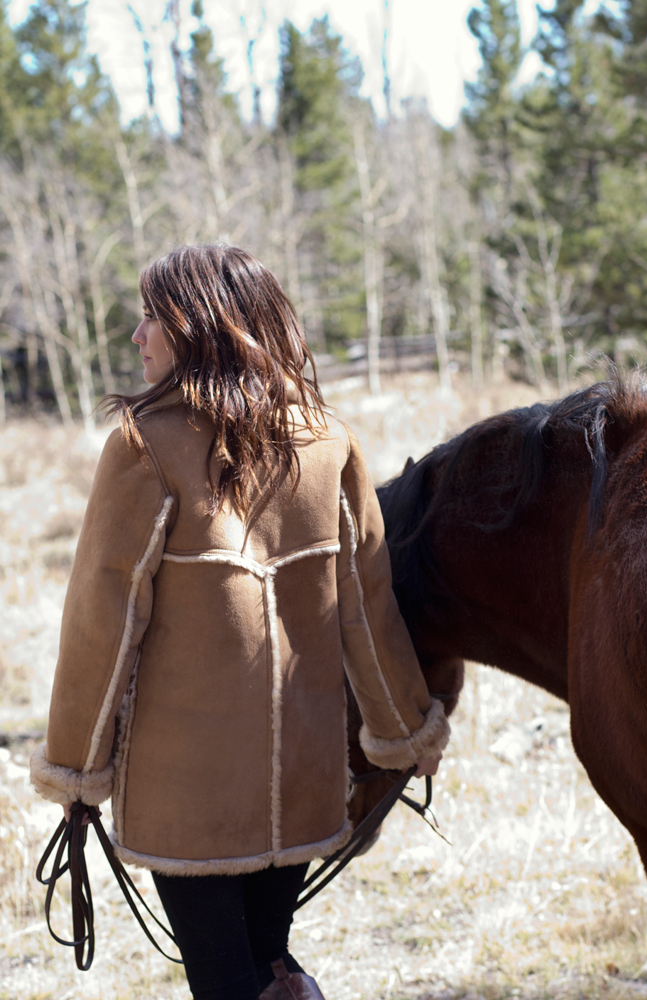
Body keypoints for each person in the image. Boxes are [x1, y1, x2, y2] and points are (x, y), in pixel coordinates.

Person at [30, 244, 449, 1000]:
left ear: (195, 325)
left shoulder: (142, 447)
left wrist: (76, 770)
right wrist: (404, 732)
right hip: (302, 783)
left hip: (186, 797)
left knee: (226, 982)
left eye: (151, 316)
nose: (138, 336)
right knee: (268, 965)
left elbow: (103, 623)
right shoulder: (329, 441)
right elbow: (369, 609)